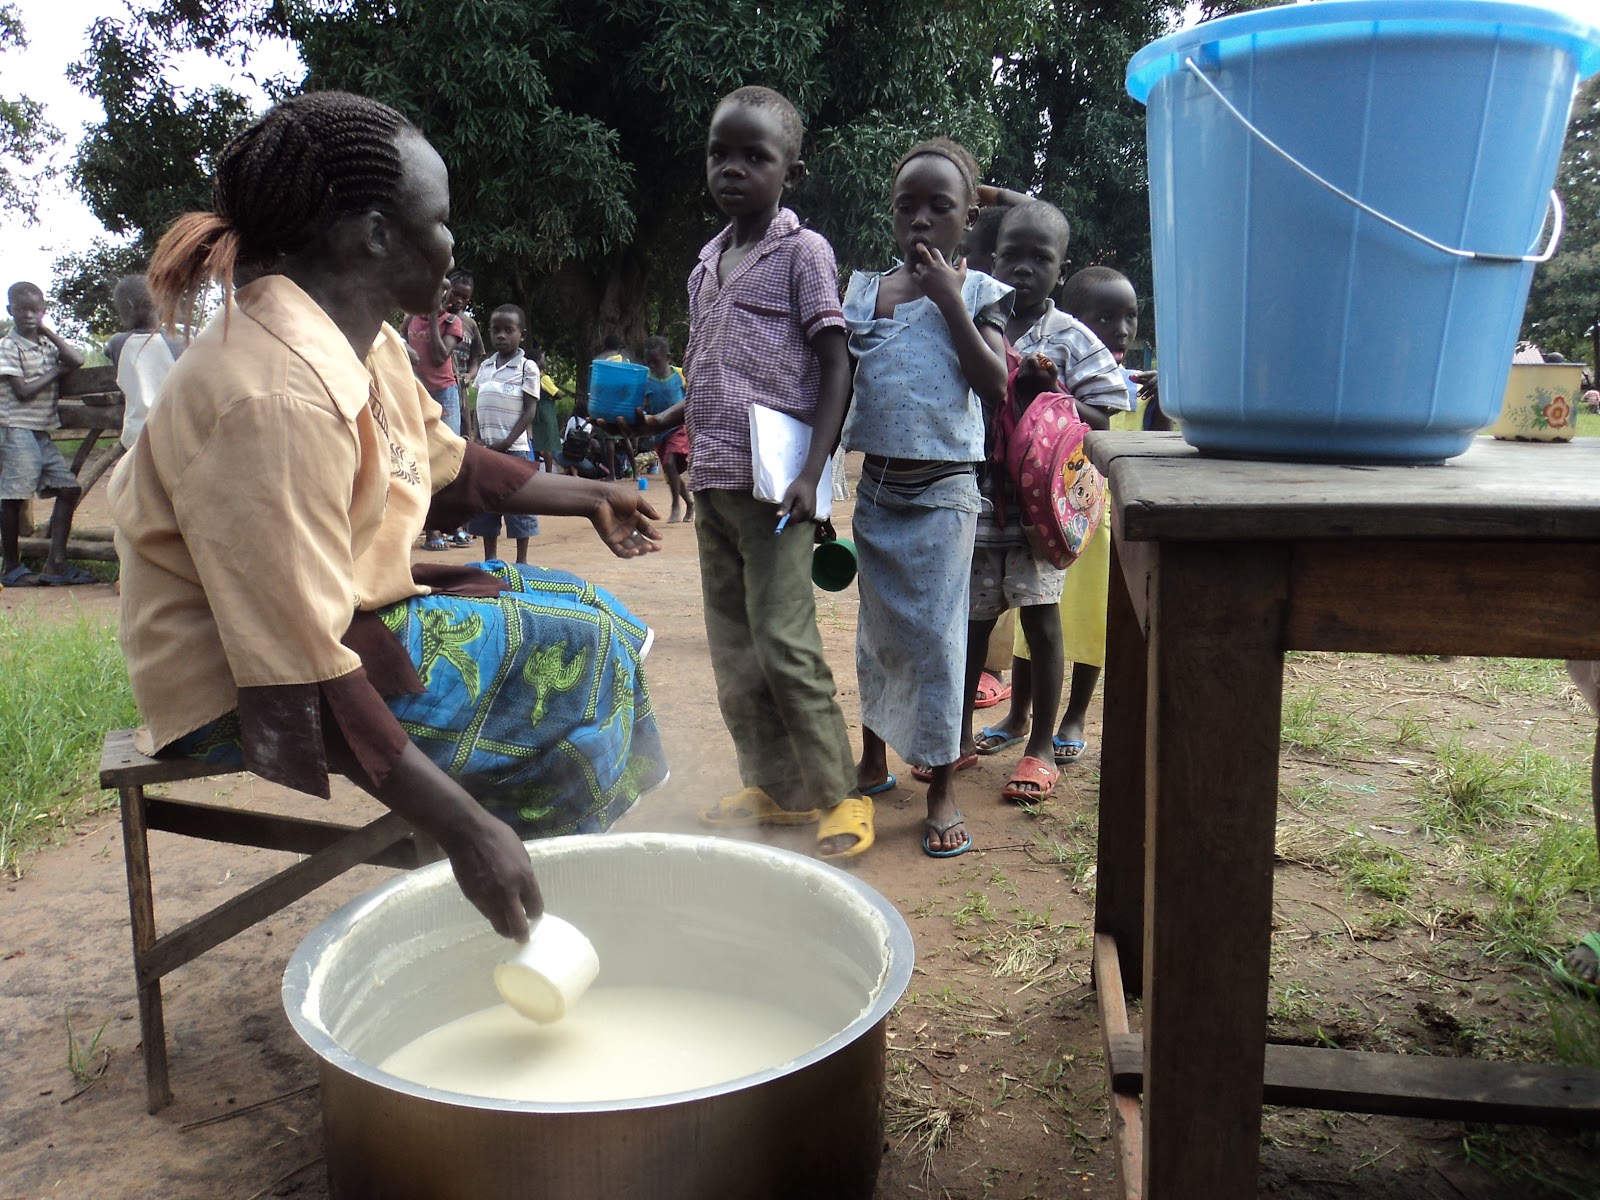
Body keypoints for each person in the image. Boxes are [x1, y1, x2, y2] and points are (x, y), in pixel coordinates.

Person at [111, 90, 666, 943]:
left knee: (598, 614)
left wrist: (593, 494)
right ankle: (533, 908)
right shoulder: (269, 396)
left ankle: (543, 874)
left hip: (337, 623)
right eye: (438, 221)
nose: (451, 244)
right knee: (585, 658)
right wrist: (463, 829)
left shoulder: (362, 338)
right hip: (242, 686)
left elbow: (441, 465)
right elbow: (296, 666)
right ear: (374, 235)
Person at [644, 85, 869, 860]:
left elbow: (836, 365)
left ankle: (840, 793)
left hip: (779, 488)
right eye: (720, 154)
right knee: (734, 649)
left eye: (754, 156)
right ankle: (775, 788)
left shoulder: (803, 253)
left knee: (783, 642)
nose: (733, 169)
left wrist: (814, 469)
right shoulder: (705, 265)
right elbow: (715, 368)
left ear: (790, 173)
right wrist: (664, 421)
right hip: (713, 481)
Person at [840, 138, 1011, 857]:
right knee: (876, 636)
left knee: (939, 644)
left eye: (939, 207)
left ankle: (941, 786)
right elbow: (839, 386)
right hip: (877, 494)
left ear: (967, 219)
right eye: (906, 205)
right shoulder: (863, 292)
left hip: (944, 495)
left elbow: (995, 384)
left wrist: (949, 299)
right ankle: (872, 760)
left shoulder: (979, 293)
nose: (920, 220)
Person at [976, 250, 1130, 770]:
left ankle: (1051, 736)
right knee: (982, 621)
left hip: (1053, 512)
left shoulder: (1073, 340)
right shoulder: (978, 319)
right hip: (984, 505)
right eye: (1013, 254)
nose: (1023, 267)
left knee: (1051, 619)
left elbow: (1101, 419)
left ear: (1058, 273)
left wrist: (1049, 390)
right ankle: (982, 731)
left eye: (1040, 257)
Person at [0, 281, 89, 587]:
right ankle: (11, 567)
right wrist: (55, 372)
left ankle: (56, 564)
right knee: (14, 495)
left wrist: (47, 331)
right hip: (15, 427)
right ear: (10, 310)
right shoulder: (8, 347)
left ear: (43, 311)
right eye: (22, 309)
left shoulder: (46, 345)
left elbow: (77, 360)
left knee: (69, 489)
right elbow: (23, 391)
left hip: (40, 430)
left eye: (35, 310)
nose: (28, 315)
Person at [464, 304, 541, 564]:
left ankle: (522, 562)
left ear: (522, 335)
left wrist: (507, 441)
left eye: (509, 330)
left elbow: (529, 410)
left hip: (514, 449)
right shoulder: (485, 367)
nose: (501, 336)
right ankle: (491, 560)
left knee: (519, 505)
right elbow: (478, 405)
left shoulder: (527, 367)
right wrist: (477, 438)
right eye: (496, 330)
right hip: (487, 450)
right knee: (487, 504)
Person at [406, 280, 467, 550]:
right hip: (418, 394)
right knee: (423, 459)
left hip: (444, 395)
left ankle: (455, 526)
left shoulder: (452, 322)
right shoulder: (410, 319)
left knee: (449, 457)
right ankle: (432, 530)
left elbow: (441, 355)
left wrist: (433, 319)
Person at [107, 274, 186, 451]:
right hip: (175, 430)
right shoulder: (180, 342)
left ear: (128, 306)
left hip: (136, 433)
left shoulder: (117, 343)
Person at [640, 335, 692, 523]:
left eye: (656, 361)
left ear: (667, 357)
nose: (652, 365)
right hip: (659, 431)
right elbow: (644, 404)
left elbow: (691, 396)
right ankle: (689, 503)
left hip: (678, 427)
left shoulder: (679, 375)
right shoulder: (646, 381)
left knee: (670, 464)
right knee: (672, 473)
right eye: (649, 362)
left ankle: (675, 505)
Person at [446, 269, 484, 404]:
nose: (459, 300)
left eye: (465, 297)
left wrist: (469, 375)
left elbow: (474, 360)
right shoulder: (433, 318)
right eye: (455, 294)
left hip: (458, 388)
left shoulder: (470, 324)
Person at [526, 343, 563, 473]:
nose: (545, 362)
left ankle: (535, 469)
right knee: (548, 444)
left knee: (537, 442)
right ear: (537, 362)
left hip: (535, 411)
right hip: (546, 412)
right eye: (543, 359)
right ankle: (548, 472)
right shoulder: (544, 378)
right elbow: (558, 394)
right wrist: (562, 393)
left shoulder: (529, 376)